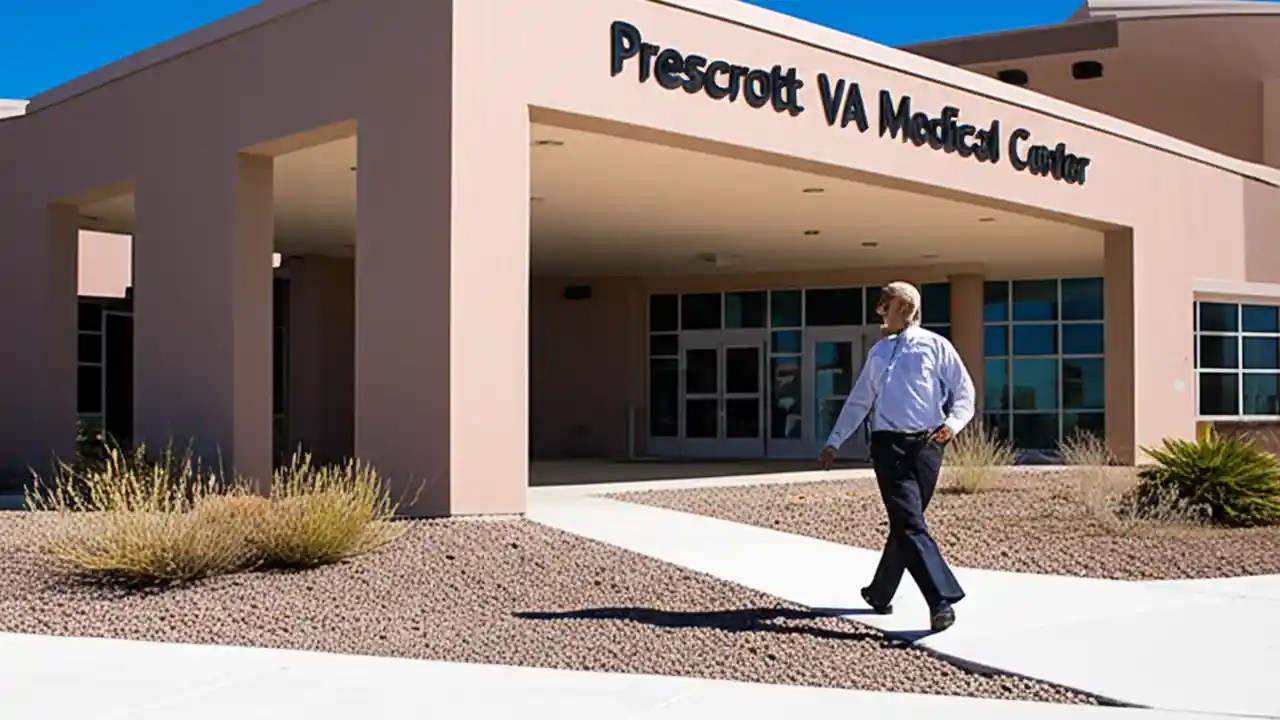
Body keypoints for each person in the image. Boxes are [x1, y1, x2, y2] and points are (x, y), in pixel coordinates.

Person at [818, 281, 976, 632]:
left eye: (884, 304)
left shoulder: (937, 346)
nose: (879, 311)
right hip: (888, 448)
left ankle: (879, 592)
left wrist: (952, 425)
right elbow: (859, 400)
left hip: (928, 447)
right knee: (909, 523)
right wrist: (834, 441)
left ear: (903, 308)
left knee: (907, 524)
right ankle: (940, 601)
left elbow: (965, 392)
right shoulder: (879, 352)